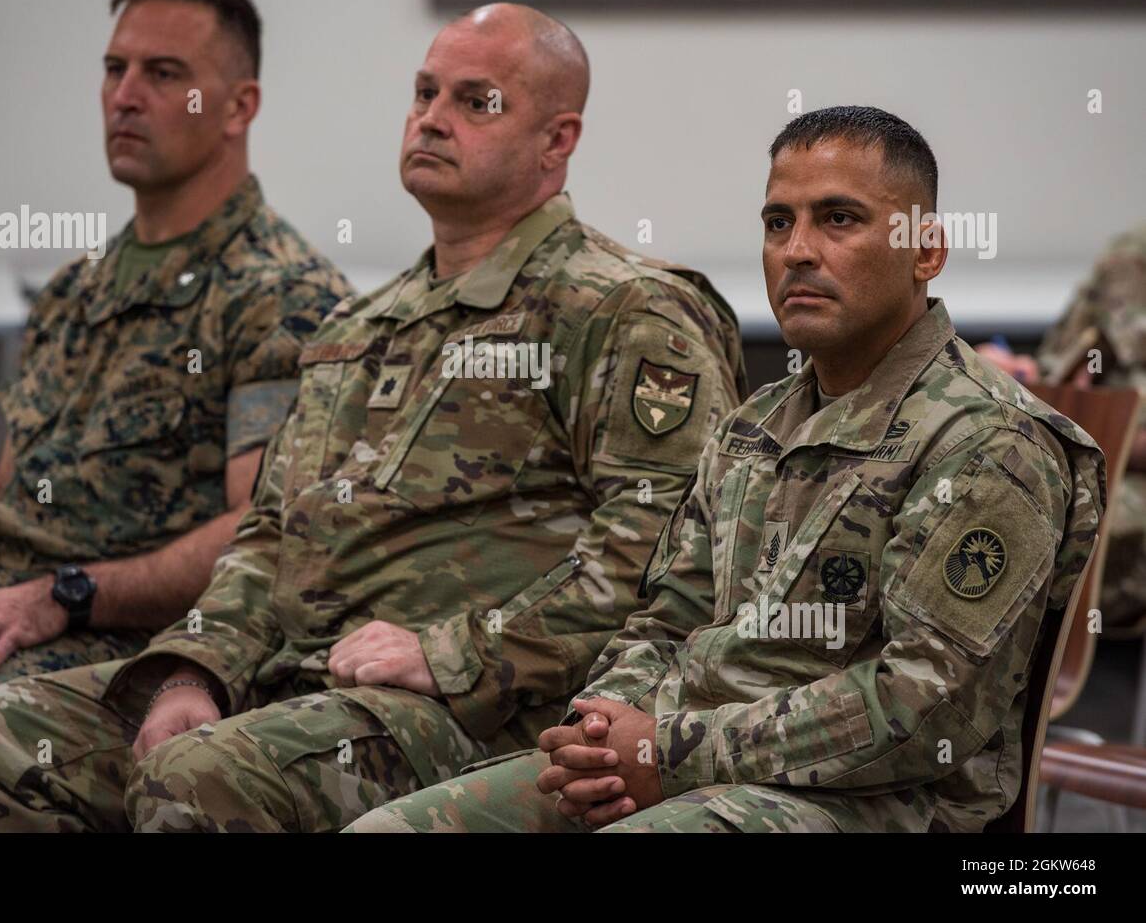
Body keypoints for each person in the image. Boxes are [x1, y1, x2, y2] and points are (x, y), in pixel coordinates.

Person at [0, 2, 748, 833]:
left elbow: (670, 552)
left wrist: (453, 652)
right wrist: (197, 671)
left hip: (487, 708)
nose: (431, 118)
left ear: (557, 140)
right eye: (424, 93)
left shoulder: (624, 309)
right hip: (298, 680)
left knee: (198, 776)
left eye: (476, 102)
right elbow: (271, 537)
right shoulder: (359, 329)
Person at [350, 105, 1106, 834]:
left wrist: (671, 752)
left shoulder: (991, 442)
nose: (798, 249)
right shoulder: (754, 423)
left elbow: (918, 705)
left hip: (871, 803)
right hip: (681, 767)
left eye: (838, 219)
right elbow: (666, 616)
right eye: (779, 222)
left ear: (926, 249)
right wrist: (600, 728)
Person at [0, 0, 351, 832]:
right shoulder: (78, 289)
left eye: (164, 74)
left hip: (130, 638)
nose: (125, 96)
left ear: (237, 106)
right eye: (114, 69)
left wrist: (67, 593)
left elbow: (259, 532)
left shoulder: (280, 295)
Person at [977, 225, 1146, 634]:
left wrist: (1092, 422)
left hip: (1124, 472)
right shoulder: (1130, 254)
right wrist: (1017, 374)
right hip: (1076, 451)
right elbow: (1067, 367)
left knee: (1020, 531)